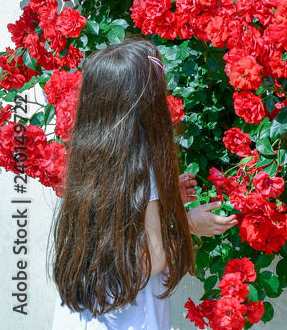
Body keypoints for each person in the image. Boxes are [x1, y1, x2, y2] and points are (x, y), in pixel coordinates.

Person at [51, 37, 237, 330]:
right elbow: (152, 259)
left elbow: (119, 225)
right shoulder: (143, 166)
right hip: (127, 320)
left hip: (83, 315)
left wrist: (162, 201)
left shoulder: (89, 159)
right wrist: (189, 225)